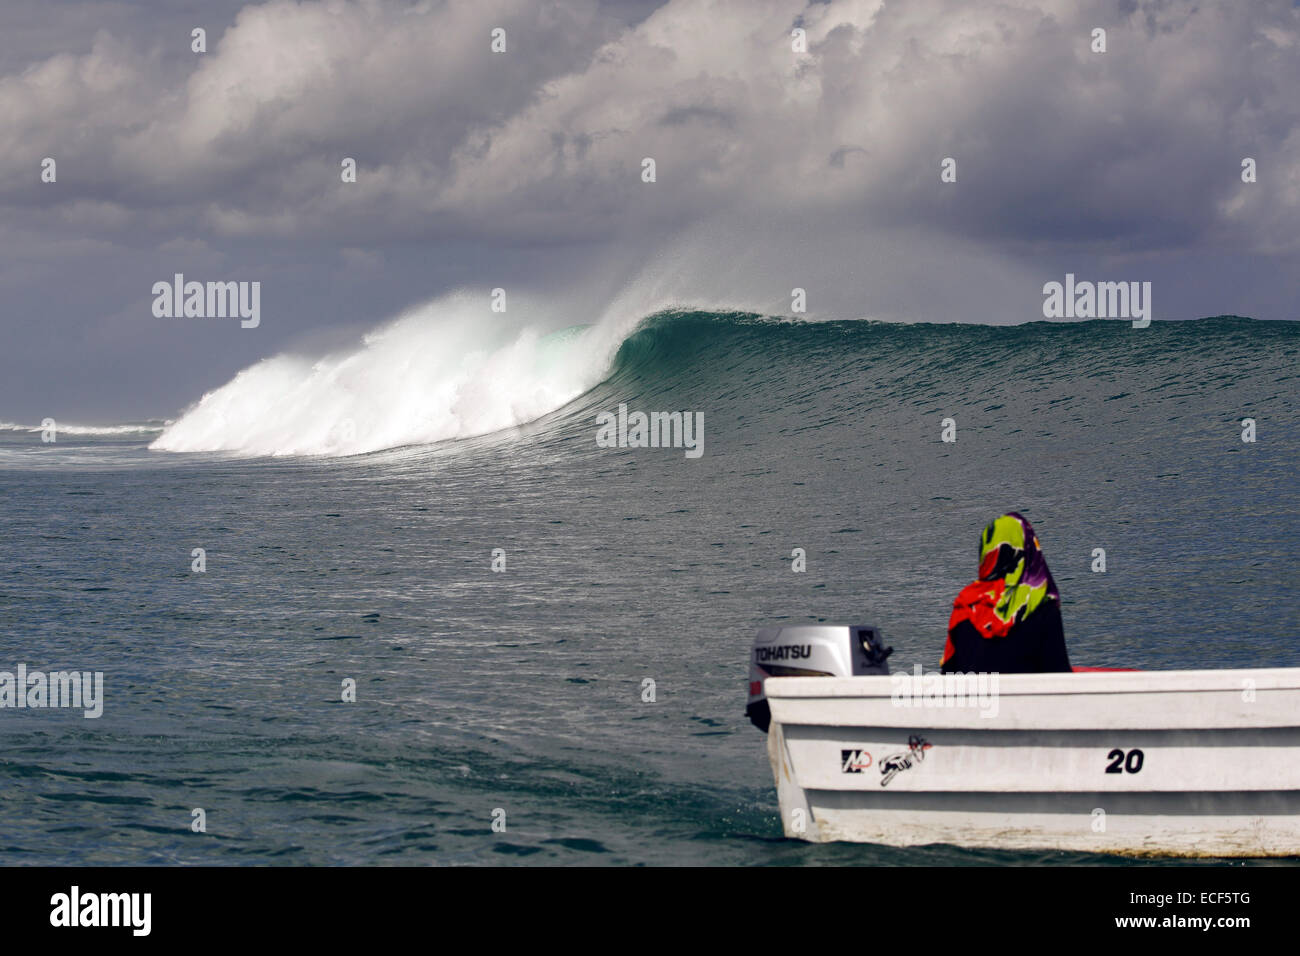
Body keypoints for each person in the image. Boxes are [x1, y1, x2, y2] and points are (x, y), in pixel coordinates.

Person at [940, 512, 1071, 674]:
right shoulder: (1040, 605)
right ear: (1029, 549)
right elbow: (1059, 675)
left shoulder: (965, 605)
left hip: (976, 699)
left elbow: (947, 674)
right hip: (1026, 698)